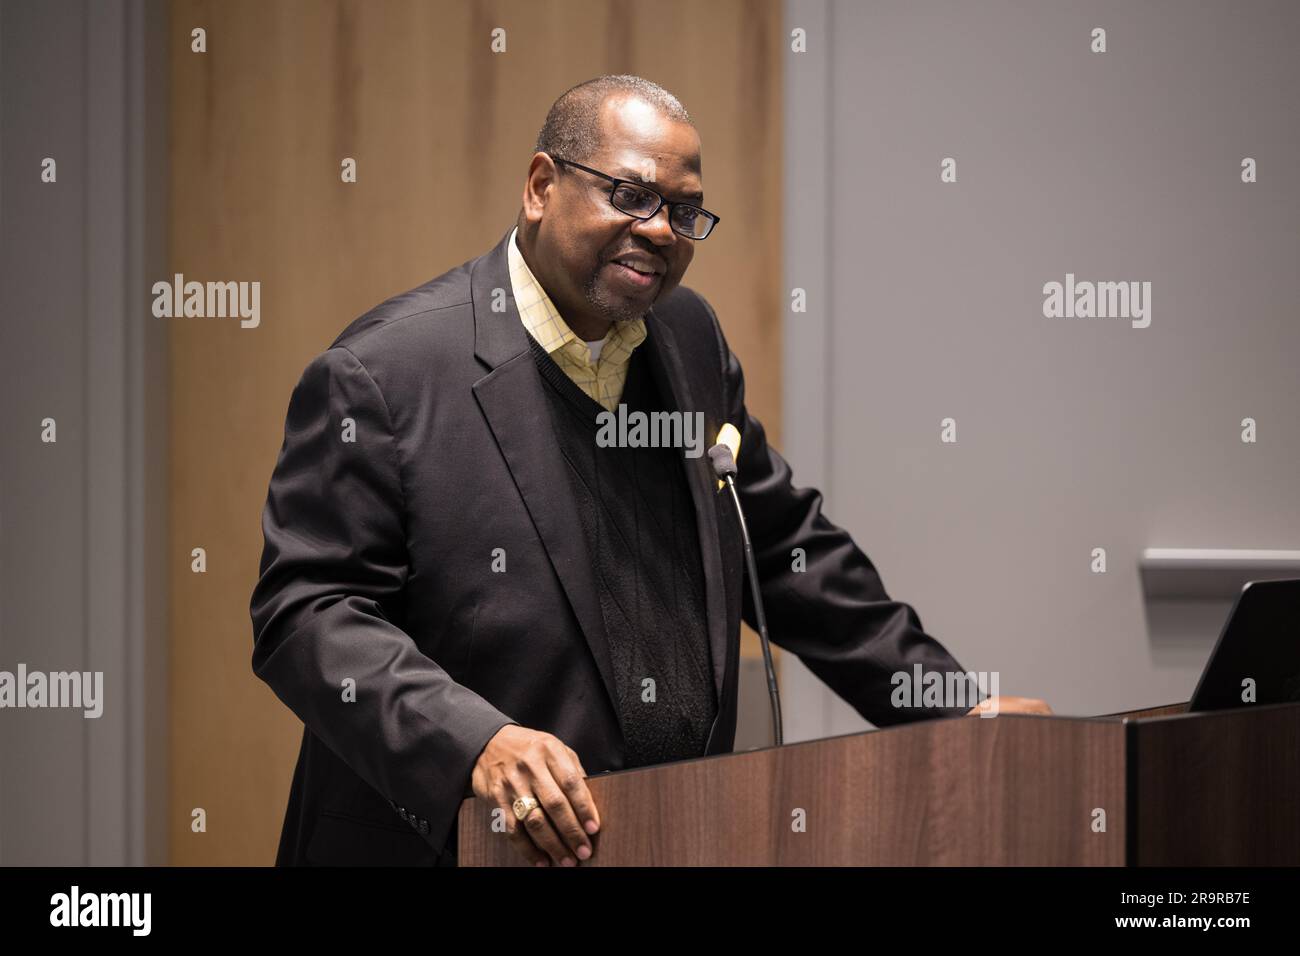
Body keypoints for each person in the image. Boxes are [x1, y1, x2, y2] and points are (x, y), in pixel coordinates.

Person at [249, 74, 1050, 868]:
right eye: (631, 196)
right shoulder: (386, 372)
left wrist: (954, 705)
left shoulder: (686, 339)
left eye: (683, 210)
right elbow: (308, 611)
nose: (662, 230)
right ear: (540, 187)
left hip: (666, 833)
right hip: (449, 848)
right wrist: (474, 743)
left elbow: (783, 552)